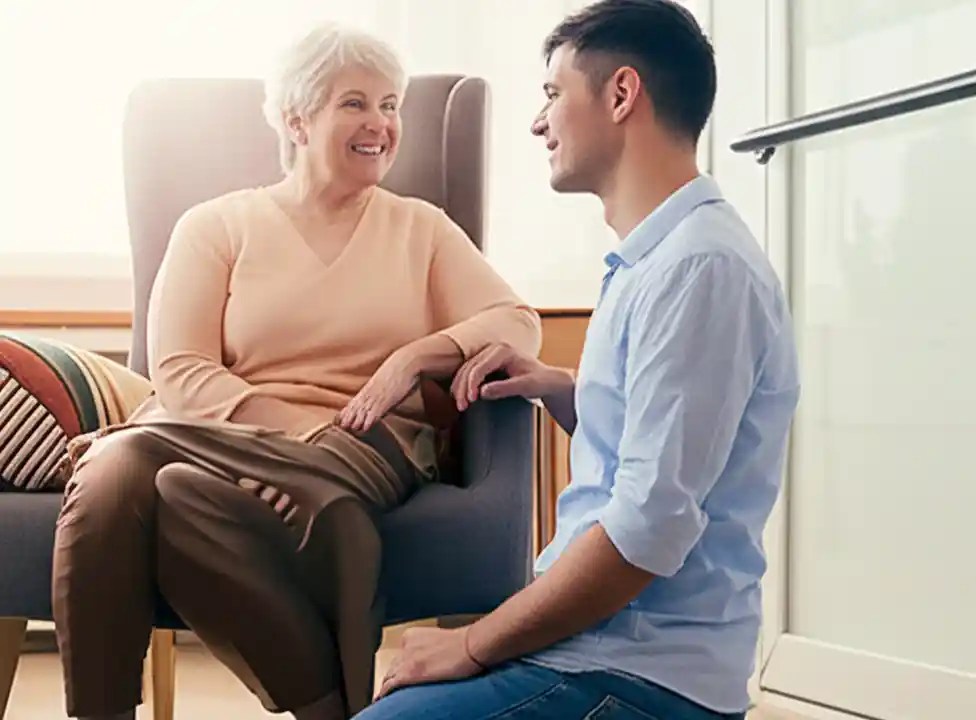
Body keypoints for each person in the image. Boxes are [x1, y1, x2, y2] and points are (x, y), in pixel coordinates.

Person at [51, 24, 540, 720]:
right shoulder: (217, 226)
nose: (381, 124)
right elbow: (182, 371)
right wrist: (296, 431)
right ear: (295, 119)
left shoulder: (420, 228)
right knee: (117, 475)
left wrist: (413, 358)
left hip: (363, 442)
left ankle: (320, 703)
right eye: (355, 104)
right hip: (226, 439)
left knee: (138, 463)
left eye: (391, 104)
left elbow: (516, 321)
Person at [359, 1, 800, 718]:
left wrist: (473, 645)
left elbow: (646, 531)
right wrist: (565, 388)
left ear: (621, 95)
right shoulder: (656, 260)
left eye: (552, 94)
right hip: (604, 650)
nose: (540, 122)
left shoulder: (698, 269)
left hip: (639, 673)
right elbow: (666, 442)